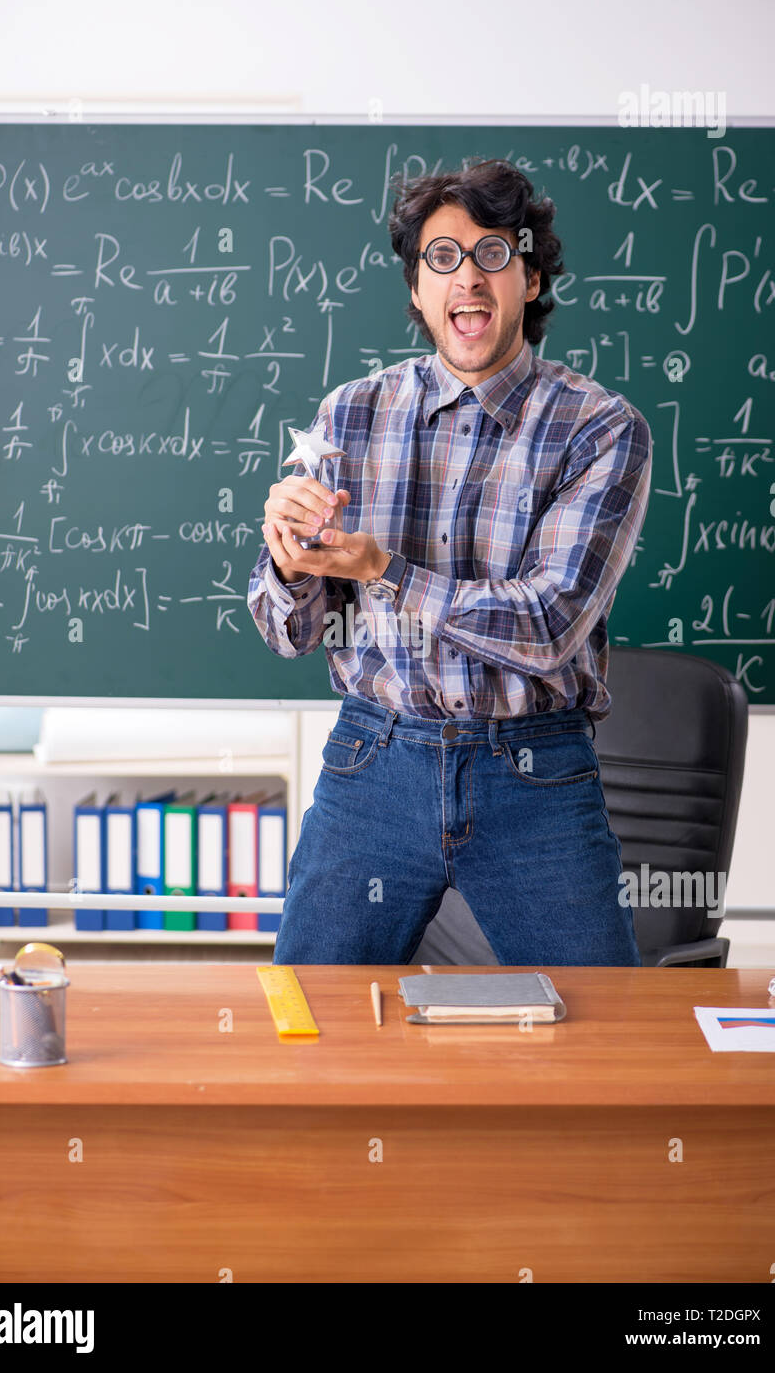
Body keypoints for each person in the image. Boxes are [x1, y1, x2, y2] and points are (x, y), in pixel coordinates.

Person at [247, 158, 651, 966]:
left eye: (492, 255)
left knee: (602, 1046)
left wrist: (384, 571)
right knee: (310, 1033)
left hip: (532, 772)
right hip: (372, 764)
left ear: (529, 279)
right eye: (441, 259)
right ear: (417, 290)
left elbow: (545, 627)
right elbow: (287, 633)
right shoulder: (349, 414)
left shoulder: (599, 428)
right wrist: (291, 564)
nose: (467, 279)